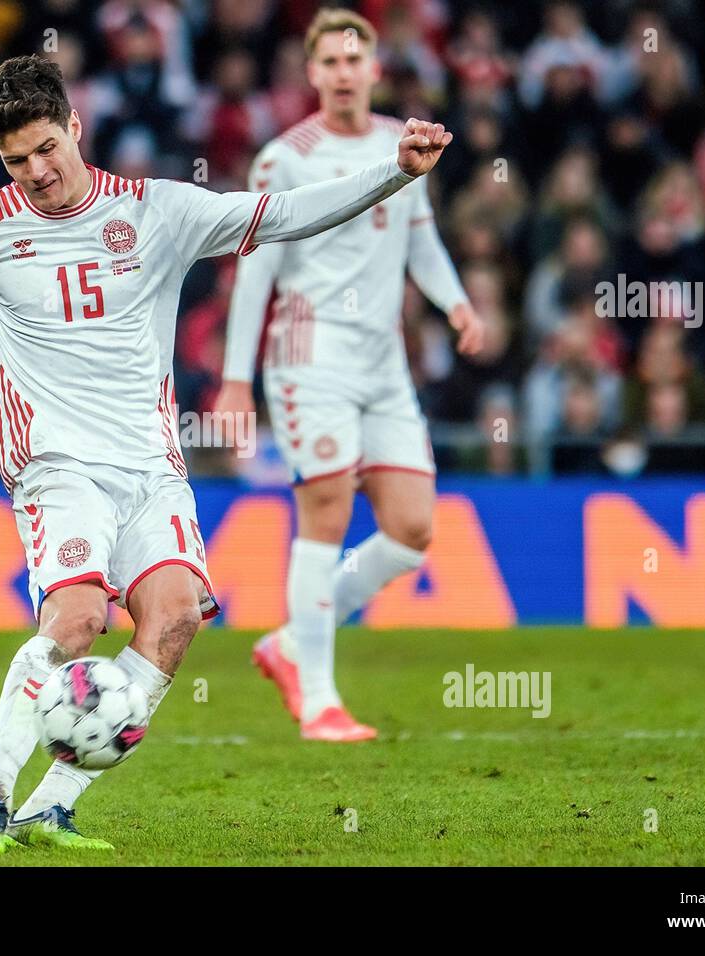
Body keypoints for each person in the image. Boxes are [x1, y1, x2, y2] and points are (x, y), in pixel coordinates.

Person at [0, 54, 453, 852]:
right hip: (56, 464)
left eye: (48, 148)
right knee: (78, 619)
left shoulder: (159, 211)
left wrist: (392, 172)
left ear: (75, 126)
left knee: (178, 615)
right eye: (17, 161)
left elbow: (285, 211)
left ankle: (52, 808)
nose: (38, 173)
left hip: (152, 465)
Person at [214, 9, 485, 741]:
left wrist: (458, 305)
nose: (341, 73)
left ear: (373, 69)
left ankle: (293, 642)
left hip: (383, 361)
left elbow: (420, 240)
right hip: (309, 355)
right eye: (327, 61)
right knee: (327, 511)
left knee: (412, 530)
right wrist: (236, 380)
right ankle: (321, 703)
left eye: (352, 60)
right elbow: (256, 270)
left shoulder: (405, 147)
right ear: (312, 74)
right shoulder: (284, 159)